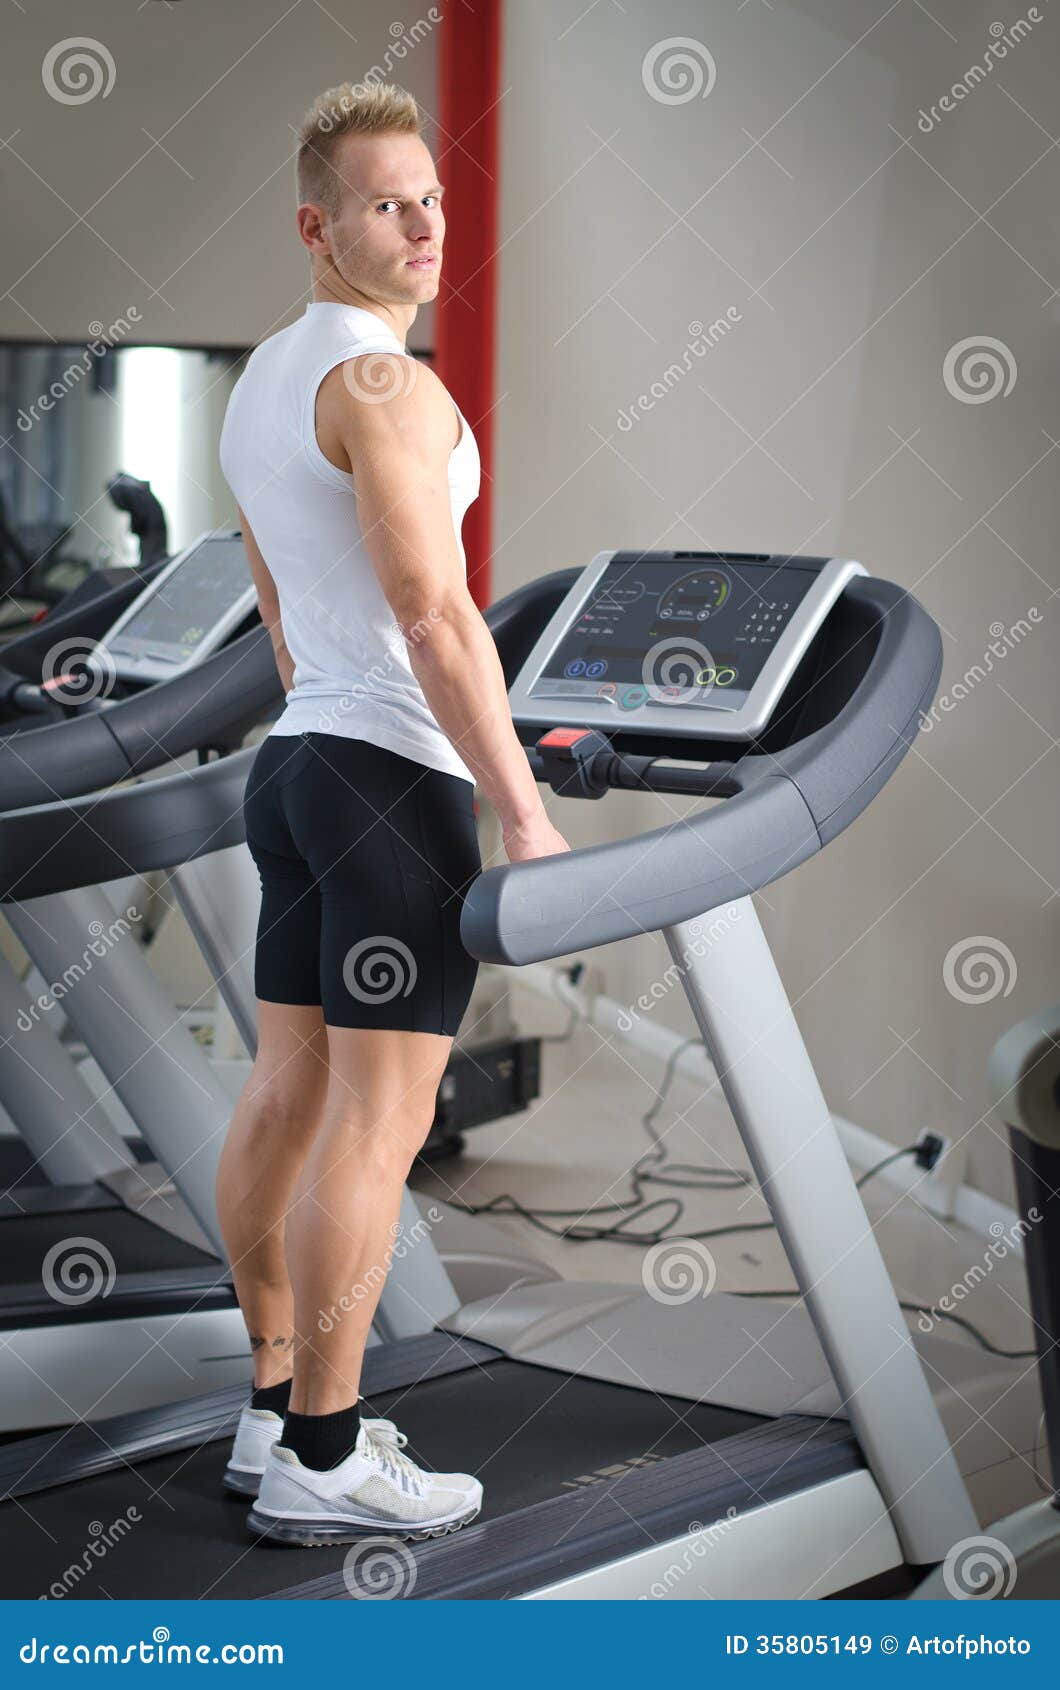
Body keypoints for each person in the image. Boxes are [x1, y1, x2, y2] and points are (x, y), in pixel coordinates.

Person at [217, 79, 569, 1544]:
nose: (422, 224)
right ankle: (325, 1450)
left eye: (428, 198)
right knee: (379, 1124)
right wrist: (525, 808)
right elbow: (433, 612)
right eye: (384, 203)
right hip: (386, 786)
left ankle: (272, 1405)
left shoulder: (259, 381)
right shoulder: (389, 386)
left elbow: (282, 609)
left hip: (297, 774)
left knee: (287, 1093)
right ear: (319, 224)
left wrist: (337, 713)